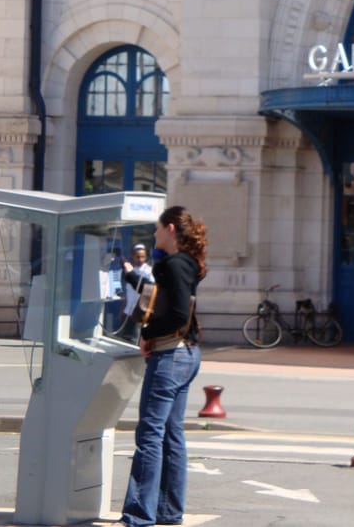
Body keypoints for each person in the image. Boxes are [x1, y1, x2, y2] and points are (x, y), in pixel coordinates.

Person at [120, 206, 206, 527]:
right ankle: (168, 512)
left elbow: (179, 313)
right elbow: (164, 300)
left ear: (170, 229)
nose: (153, 235)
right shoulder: (183, 264)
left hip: (170, 355)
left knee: (150, 434)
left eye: (156, 229)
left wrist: (148, 333)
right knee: (171, 432)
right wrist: (132, 277)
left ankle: (138, 515)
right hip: (186, 354)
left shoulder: (173, 264)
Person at [118, 244, 155, 343]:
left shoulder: (148, 271)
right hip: (128, 312)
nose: (140, 259)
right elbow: (128, 294)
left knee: (134, 339)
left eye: (143, 257)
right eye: (138, 257)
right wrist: (122, 309)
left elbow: (149, 291)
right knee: (125, 338)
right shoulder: (131, 270)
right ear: (133, 256)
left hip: (138, 312)